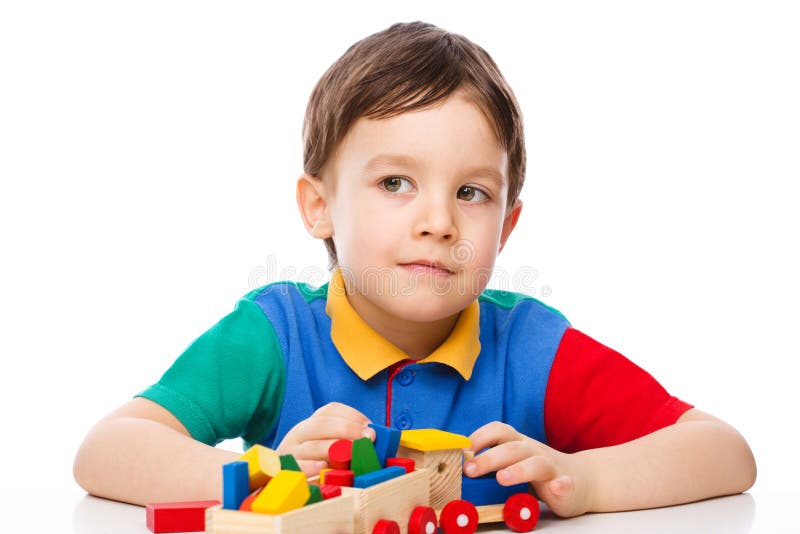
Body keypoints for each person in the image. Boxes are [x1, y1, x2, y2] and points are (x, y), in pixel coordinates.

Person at [73, 21, 756, 518]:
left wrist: (585, 480)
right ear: (319, 207)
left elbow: (723, 452)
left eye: (471, 192)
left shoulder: (531, 349)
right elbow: (106, 451)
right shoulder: (272, 336)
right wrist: (261, 471)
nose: (439, 221)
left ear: (507, 226)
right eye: (396, 182)